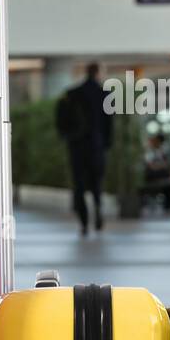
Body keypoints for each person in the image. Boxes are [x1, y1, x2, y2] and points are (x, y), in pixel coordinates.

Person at [56, 62, 113, 235]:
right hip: (97, 146)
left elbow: (61, 119)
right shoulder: (104, 95)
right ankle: (98, 209)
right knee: (96, 183)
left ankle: (84, 222)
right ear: (98, 73)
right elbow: (109, 124)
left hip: (76, 146)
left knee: (79, 185)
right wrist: (106, 144)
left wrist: (67, 136)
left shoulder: (72, 93)